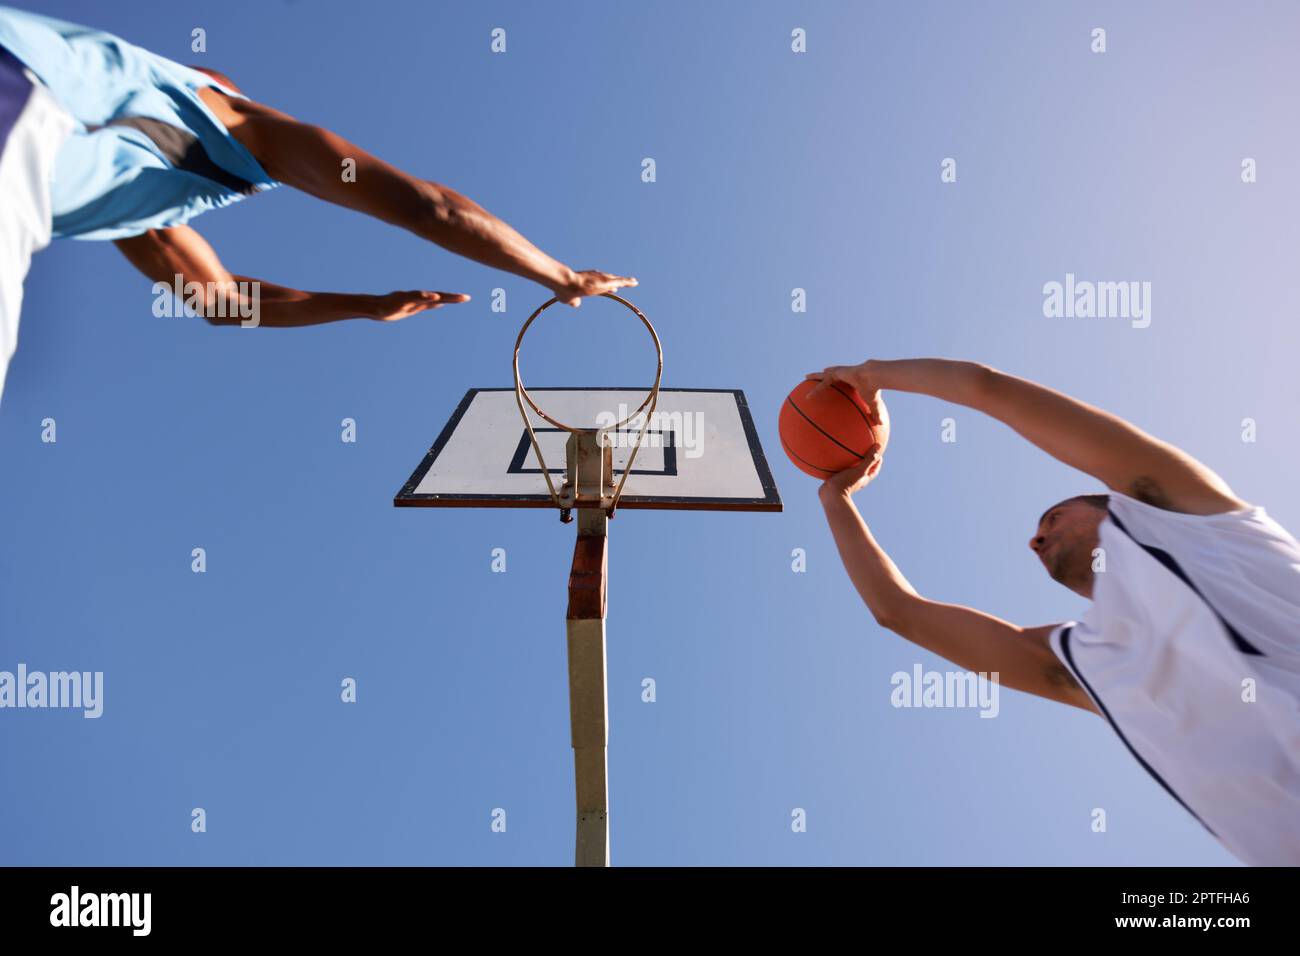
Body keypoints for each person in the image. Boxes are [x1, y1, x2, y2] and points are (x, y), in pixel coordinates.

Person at [0, 5, 634, 401]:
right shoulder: (241, 123)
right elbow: (428, 207)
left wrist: (365, 306)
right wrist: (561, 276)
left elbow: (221, 302)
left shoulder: (143, 205)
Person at [809, 357, 1300, 866]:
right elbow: (898, 612)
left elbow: (988, 389)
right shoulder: (1087, 663)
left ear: (1111, 505)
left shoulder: (1200, 519)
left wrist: (870, 376)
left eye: (1054, 517)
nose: (1035, 537)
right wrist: (835, 497)